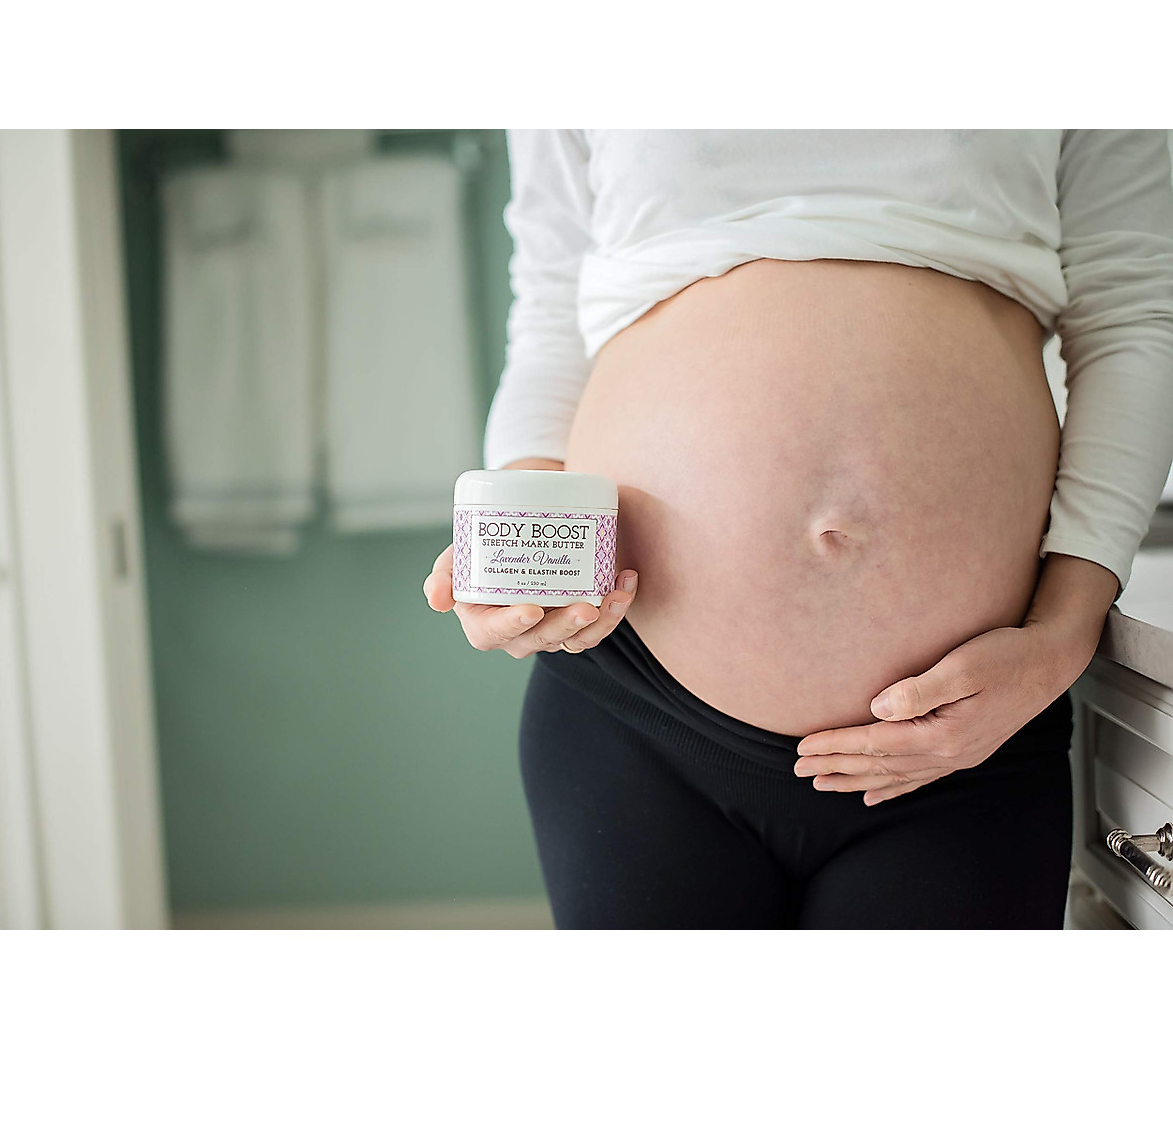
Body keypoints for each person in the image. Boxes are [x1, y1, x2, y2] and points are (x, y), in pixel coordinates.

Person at [423, 130, 1173, 929]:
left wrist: (1062, 637)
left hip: (964, 733)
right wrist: (521, 553)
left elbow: (1133, 312)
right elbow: (550, 316)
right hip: (637, 704)